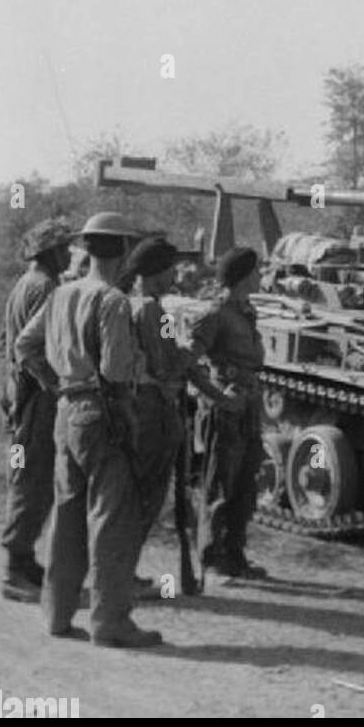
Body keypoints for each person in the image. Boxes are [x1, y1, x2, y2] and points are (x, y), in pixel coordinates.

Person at [13, 211, 160, 648]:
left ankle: (57, 614)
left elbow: (25, 346)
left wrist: (57, 384)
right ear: (123, 250)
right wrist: (139, 369)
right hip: (105, 415)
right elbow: (115, 370)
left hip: (67, 413)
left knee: (68, 515)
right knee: (113, 519)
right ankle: (110, 622)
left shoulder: (61, 295)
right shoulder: (112, 301)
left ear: (90, 248)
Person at [118, 236, 240, 586]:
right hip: (153, 410)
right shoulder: (152, 311)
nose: (177, 273)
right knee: (146, 495)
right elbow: (171, 365)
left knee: (136, 494)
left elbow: (171, 352)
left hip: (139, 406)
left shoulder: (135, 304)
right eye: (171, 267)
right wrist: (199, 346)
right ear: (157, 272)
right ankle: (122, 574)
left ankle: (120, 570)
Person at [0, 217, 73, 603]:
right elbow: (28, 349)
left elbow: (4, 343)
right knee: (32, 478)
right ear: (52, 252)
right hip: (36, 398)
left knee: (28, 475)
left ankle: (24, 561)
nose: (70, 253)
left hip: (21, 394)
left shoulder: (24, 284)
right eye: (64, 248)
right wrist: (52, 384)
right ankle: (15, 569)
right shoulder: (45, 287)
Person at [188, 246, 267, 580]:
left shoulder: (246, 311)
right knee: (221, 483)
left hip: (247, 408)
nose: (262, 276)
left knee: (245, 485)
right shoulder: (216, 313)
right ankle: (213, 557)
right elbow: (188, 359)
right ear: (245, 275)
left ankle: (234, 553)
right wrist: (218, 396)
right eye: (257, 271)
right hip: (226, 412)